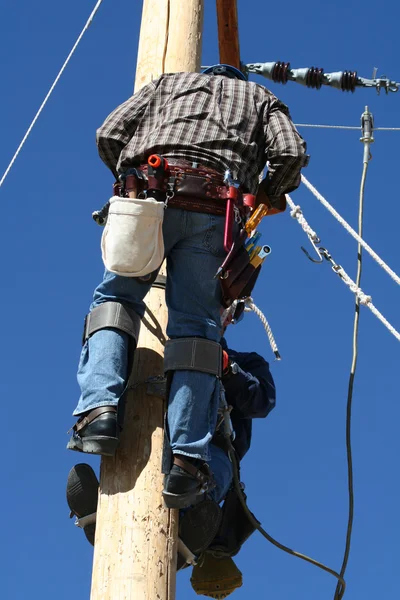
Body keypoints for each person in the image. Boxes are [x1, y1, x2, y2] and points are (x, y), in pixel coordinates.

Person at [66, 64, 308, 509]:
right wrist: (268, 194)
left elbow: (108, 133)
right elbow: (290, 152)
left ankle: (98, 412)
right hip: (216, 207)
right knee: (197, 327)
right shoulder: (261, 99)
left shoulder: (166, 84)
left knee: (117, 298)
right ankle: (187, 463)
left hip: (147, 192)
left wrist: (130, 181)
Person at [67, 341, 276, 594]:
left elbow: (262, 400)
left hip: (210, 447)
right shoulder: (145, 345)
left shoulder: (245, 361)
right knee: (131, 460)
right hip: (147, 435)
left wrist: (226, 368)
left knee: (209, 474)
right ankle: (110, 505)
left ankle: (186, 518)